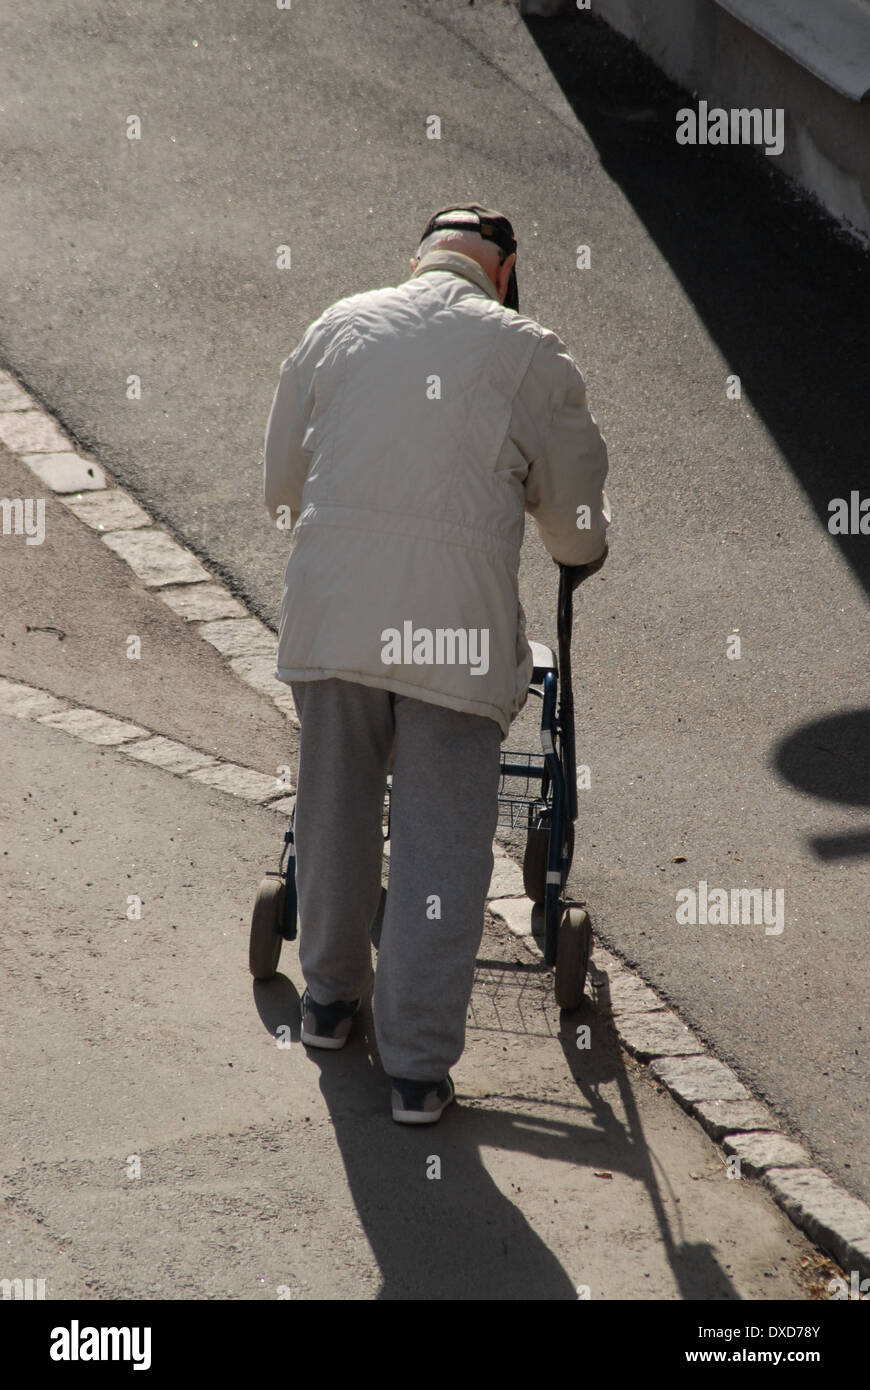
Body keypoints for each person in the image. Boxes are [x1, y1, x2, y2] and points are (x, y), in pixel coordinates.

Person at [264, 204, 610, 1125]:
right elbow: (574, 519)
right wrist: (581, 548)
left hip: (333, 621)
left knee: (332, 807)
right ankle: (415, 1069)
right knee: (440, 845)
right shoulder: (530, 352)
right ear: (501, 275)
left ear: (415, 264)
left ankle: (329, 1004)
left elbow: (279, 485)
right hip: (453, 640)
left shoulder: (337, 326)